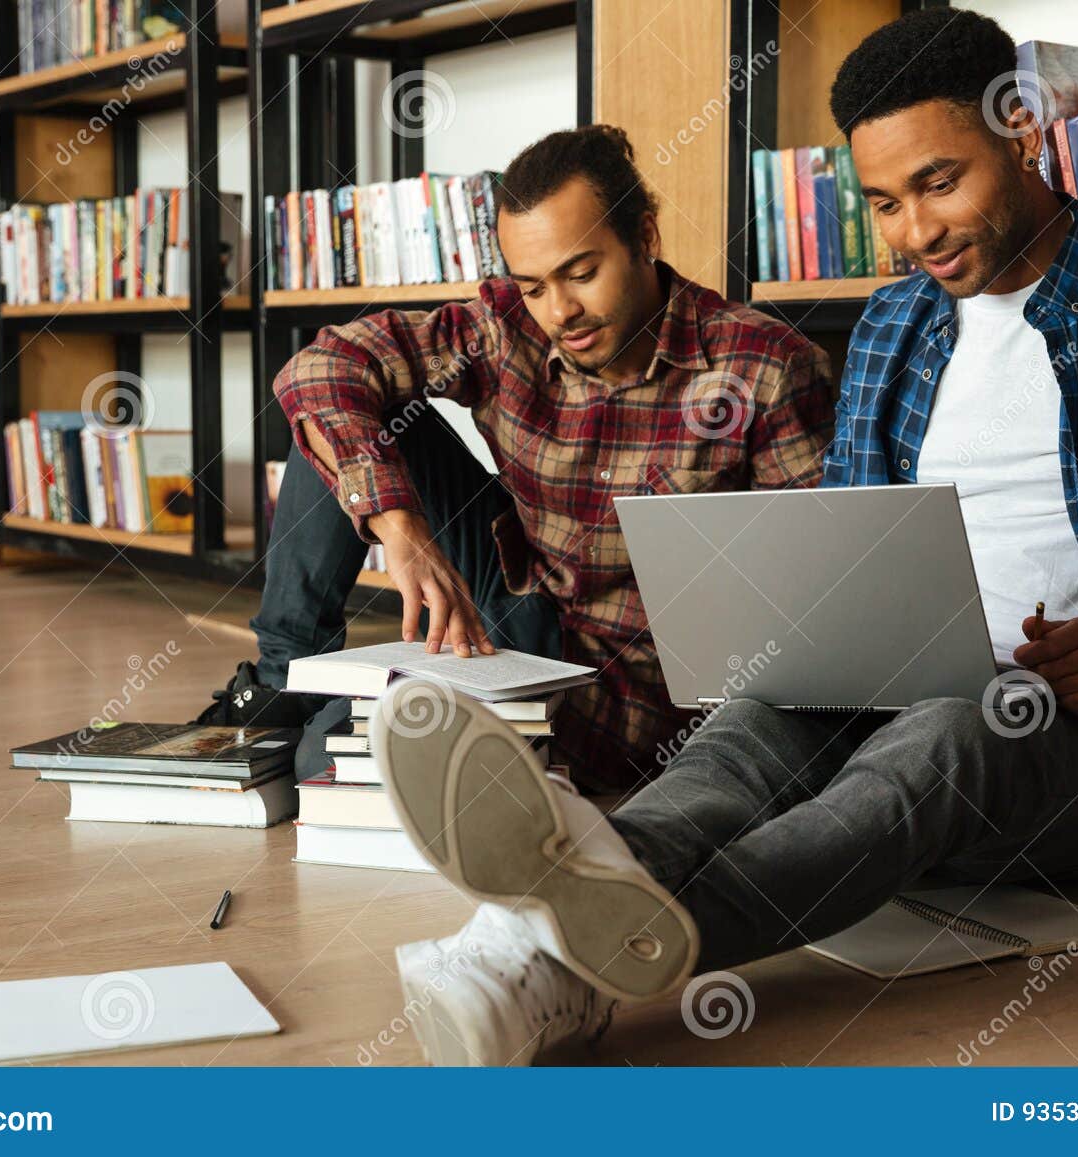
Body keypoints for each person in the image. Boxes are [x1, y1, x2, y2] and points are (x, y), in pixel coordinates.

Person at [371, 7, 1078, 1066]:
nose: (914, 232)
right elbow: (855, 547)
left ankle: (539, 956)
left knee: (950, 731)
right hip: (895, 686)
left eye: (938, 183)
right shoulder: (892, 326)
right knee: (749, 723)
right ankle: (542, 945)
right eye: (882, 202)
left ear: (1024, 132)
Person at [193, 124, 836, 791]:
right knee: (342, 406)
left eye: (581, 273)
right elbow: (319, 367)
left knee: (331, 760)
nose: (561, 310)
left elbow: (811, 602)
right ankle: (280, 692)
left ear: (645, 238)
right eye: (533, 286)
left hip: (642, 685)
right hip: (517, 614)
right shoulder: (504, 331)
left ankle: (342, 725)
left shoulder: (767, 368)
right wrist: (401, 529)